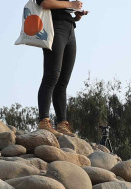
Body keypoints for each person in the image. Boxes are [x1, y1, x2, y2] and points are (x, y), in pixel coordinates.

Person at [35, 0, 88, 136]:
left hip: (69, 29)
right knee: (51, 76)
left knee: (63, 81)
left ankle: (62, 124)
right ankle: (44, 121)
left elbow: (59, 7)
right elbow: (45, 3)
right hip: (54, 27)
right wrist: (71, 5)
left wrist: (75, 15)